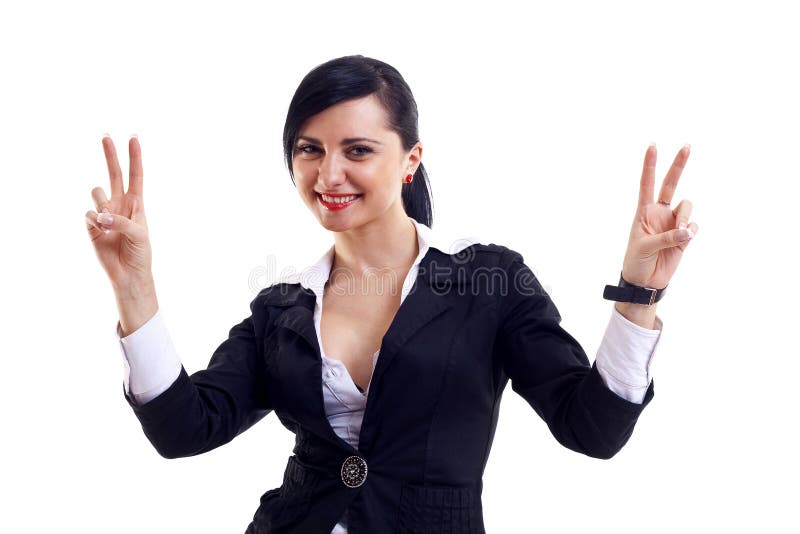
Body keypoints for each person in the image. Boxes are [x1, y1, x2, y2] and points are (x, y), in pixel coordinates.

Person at [85, 55, 699, 533]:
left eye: (357, 150)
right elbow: (185, 429)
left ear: (410, 160)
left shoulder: (490, 283)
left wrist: (638, 294)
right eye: (309, 150)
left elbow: (591, 429)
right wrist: (132, 285)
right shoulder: (279, 308)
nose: (328, 175)